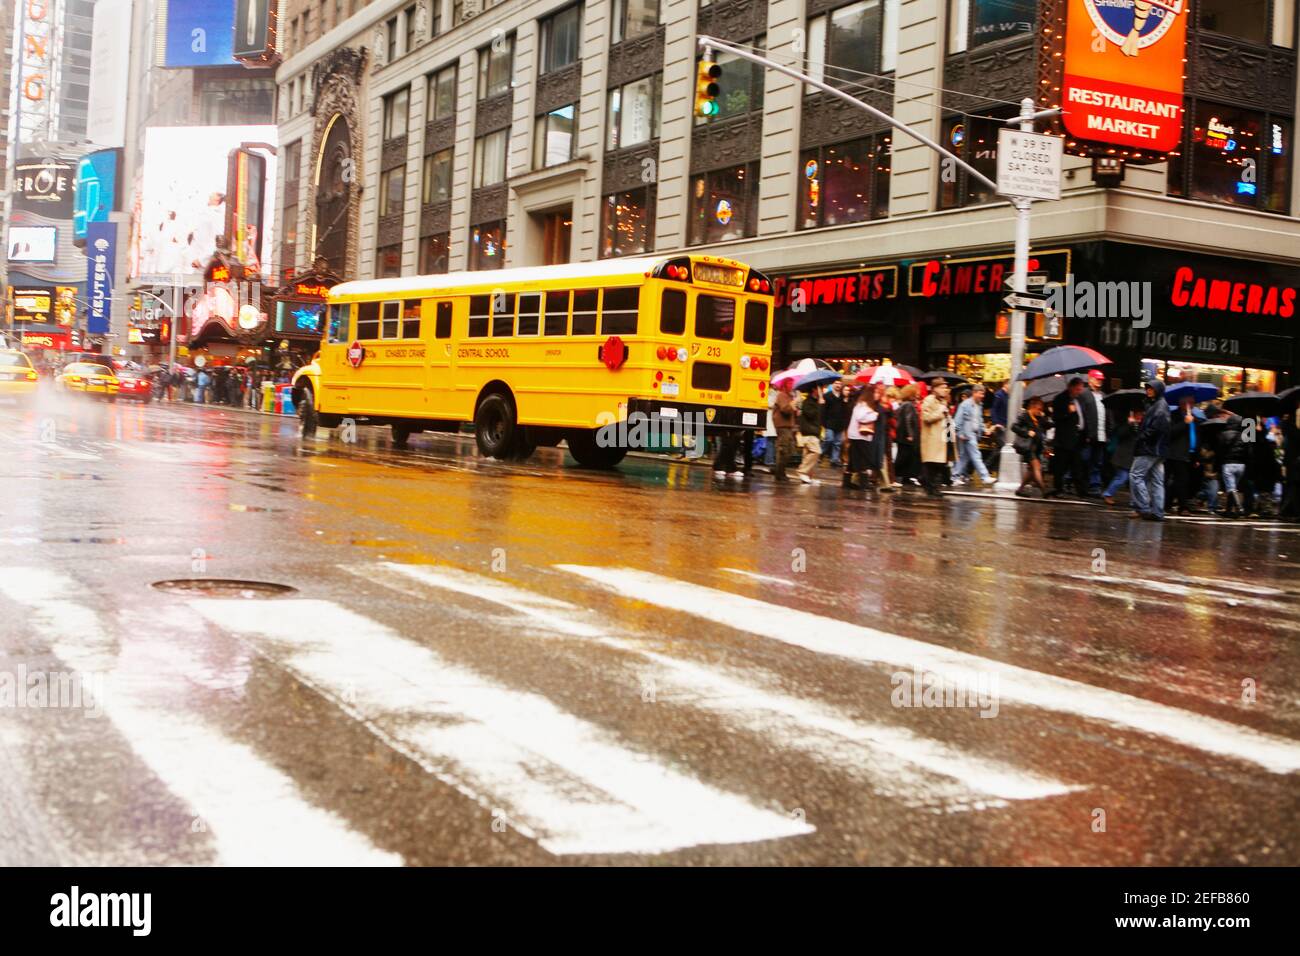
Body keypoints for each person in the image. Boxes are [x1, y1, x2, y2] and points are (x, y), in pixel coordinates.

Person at [1049, 376, 1097, 497]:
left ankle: (1081, 491)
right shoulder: (1060, 399)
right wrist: (1067, 412)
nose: (1079, 392)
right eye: (1077, 389)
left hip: (1077, 439)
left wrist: (1086, 433)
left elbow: (1083, 417)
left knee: (1077, 466)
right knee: (1061, 466)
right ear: (1070, 387)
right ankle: (1058, 489)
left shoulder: (1079, 399)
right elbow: (1056, 418)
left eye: (1080, 389)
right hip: (1063, 440)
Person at [1130, 379, 1170, 521]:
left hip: (1150, 448)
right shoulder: (1157, 405)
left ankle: (1144, 507)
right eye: (1147, 388)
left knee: (1135, 475)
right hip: (1158, 450)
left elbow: (1155, 429)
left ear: (1158, 390)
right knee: (1157, 480)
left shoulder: (1159, 407)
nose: (1148, 390)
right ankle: (1157, 512)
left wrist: (1141, 437)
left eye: (1151, 388)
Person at [952, 383, 992, 487]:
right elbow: (957, 420)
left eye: (983, 394)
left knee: (963, 457)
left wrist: (984, 429)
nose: (982, 396)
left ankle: (954, 476)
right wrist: (960, 433)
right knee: (976, 455)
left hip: (972, 434)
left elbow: (979, 420)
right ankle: (985, 476)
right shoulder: (965, 405)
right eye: (980, 393)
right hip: (966, 434)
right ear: (974, 393)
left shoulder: (979, 405)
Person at [1165, 394, 1198, 515]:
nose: (1192, 405)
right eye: (1190, 403)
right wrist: (1185, 423)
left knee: (1182, 481)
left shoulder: (1194, 417)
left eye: (1193, 403)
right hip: (1175, 453)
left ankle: (1169, 503)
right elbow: (1170, 433)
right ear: (1182, 403)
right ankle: (1182, 506)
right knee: (1179, 480)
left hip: (1189, 454)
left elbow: (1196, 436)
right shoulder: (1174, 415)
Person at [920, 379, 952, 498]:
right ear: (934, 389)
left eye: (946, 387)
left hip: (942, 436)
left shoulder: (943, 401)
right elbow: (926, 417)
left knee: (939, 464)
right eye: (942, 387)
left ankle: (931, 485)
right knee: (932, 464)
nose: (945, 390)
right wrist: (940, 411)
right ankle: (930, 487)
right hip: (932, 438)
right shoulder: (929, 400)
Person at [1011, 396, 1048, 496]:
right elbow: (1014, 427)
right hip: (1028, 447)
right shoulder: (1024, 415)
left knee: (1031, 470)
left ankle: (1020, 490)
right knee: (1037, 467)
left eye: (1041, 409)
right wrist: (1026, 432)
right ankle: (1044, 490)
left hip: (1036, 448)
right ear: (1032, 406)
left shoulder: (1039, 417)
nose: (1040, 411)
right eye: (1038, 409)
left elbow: (1048, 425)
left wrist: (1044, 417)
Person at [1102, 409, 1140, 506]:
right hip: (1123, 456)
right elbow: (1120, 434)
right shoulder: (1126, 423)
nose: (1140, 416)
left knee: (1133, 479)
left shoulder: (1141, 425)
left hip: (1133, 456)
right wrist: (1129, 424)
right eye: (1138, 414)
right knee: (1122, 477)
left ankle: (1134, 500)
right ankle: (1108, 494)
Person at [846, 386, 879, 490]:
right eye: (876, 393)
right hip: (860, 436)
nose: (877, 395)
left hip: (856, 436)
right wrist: (874, 415)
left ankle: (847, 483)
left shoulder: (861, 404)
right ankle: (864, 485)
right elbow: (861, 417)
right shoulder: (863, 405)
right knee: (863, 459)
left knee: (853, 460)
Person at [1085, 370, 1109, 494]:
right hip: (1089, 436)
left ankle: (1095, 486)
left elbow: (1108, 415)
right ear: (1090, 380)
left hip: (1101, 435)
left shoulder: (1104, 396)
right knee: (1085, 459)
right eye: (1097, 379)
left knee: (1097, 462)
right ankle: (1079, 483)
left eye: (1101, 379)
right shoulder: (1084, 394)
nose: (1099, 381)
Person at [796, 386, 824, 485]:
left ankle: (808, 477)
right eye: (819, 389)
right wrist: (820, 405)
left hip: (815, 431)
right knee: (816, 452)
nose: (821, 391)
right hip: (809, 431)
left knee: (807, 454)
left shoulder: (815, 402)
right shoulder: (808, 402)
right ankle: (802, 471)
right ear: (814, 390)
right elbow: (811, 415)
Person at [894, 384, 921, 486]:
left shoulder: (905, 404)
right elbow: (908, 420)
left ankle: (905, 477)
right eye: (916, 392)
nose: (918, 394)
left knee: (907, 457)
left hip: (903, 436)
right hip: (906, 437)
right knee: (903, 457)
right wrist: (910, 434)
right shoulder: (908, 405)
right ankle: (895, 475)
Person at [771, 380, 797, 482]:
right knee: (783, 449)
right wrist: (793, 403)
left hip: (788, 426)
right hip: (782, 425)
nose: (792, 386)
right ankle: (779, 473)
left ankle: (780, 471)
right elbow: (785, 409)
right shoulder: (781, 395)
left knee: (789, 449)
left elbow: (790, 410)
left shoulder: (789, 396)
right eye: (790, 384)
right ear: (785, 385)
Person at [821, 380, 848, 467]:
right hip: (829, 422)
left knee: (837, 443)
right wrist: (824, 422)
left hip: (839, 424)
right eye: (836, 383)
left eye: (840, 384)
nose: (838, 385)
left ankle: (834, 460)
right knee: (829, 439)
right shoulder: (827, 396)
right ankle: (820, 452)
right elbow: (823, 410)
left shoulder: (842, 397)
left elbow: (844, 411)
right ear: (832, 385)